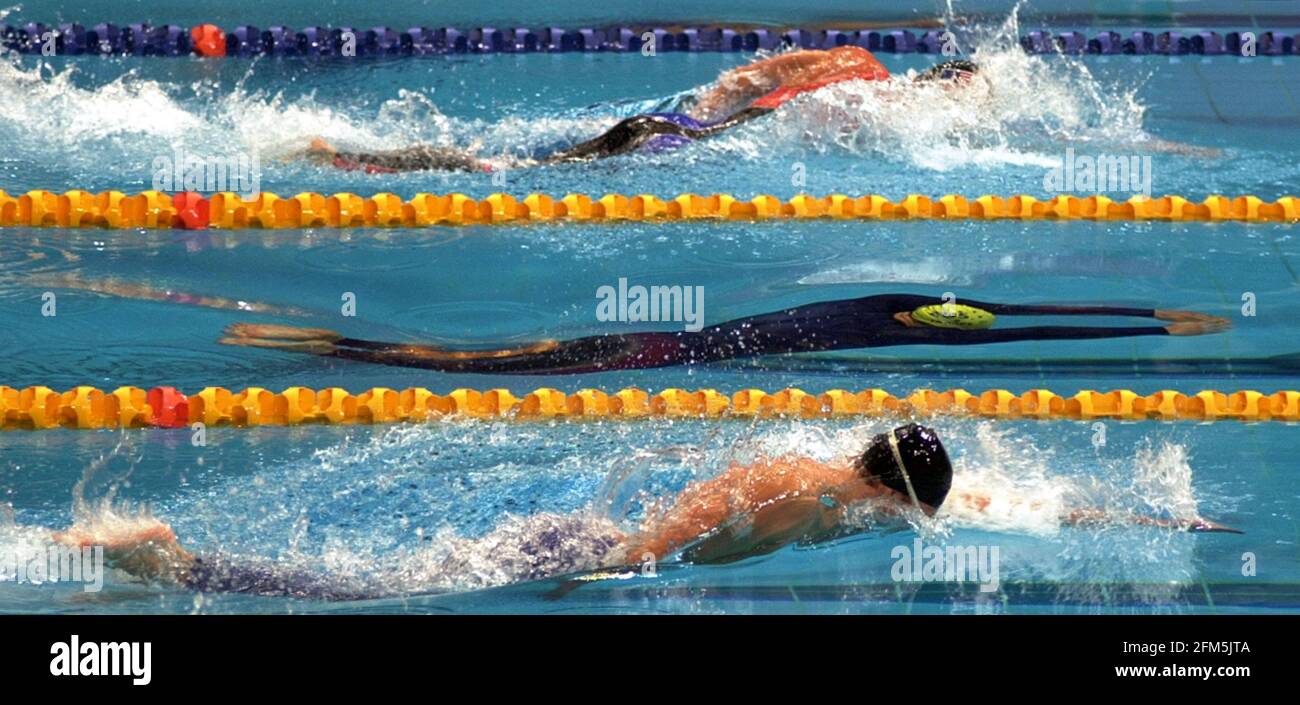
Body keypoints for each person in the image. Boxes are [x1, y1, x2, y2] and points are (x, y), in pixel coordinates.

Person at [49, 424, 1238, 600]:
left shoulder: (880, 493)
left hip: (614, 543)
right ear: (893, 487)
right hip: (586, 548)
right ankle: (180, 560)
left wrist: (1152, 523)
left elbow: (1018, 500)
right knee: (400, 592)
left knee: (398, 582)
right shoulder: (799, 485)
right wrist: (620, 571)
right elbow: (690, 516)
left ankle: (187, 561)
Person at [296, 49, 983, 172]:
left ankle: (353, 150)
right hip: (668, 134)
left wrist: (701, 114)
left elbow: (752, 74)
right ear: (941, 87)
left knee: (517, 161)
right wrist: (697, 127)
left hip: (675, 125)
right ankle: (359, 157)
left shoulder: (857, 62)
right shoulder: (875, 88)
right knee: (503, 170)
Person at [218, 294, 1231, 375]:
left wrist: (1148, 316)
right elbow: (1009, 329)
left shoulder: (885, 308)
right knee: (484, 365)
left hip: (667, 339)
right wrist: (1152, 321)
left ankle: (320, 343)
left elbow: (1013, 323)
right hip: (665, 353)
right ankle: (314, 345)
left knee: (490, 360)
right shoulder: (899, 320)